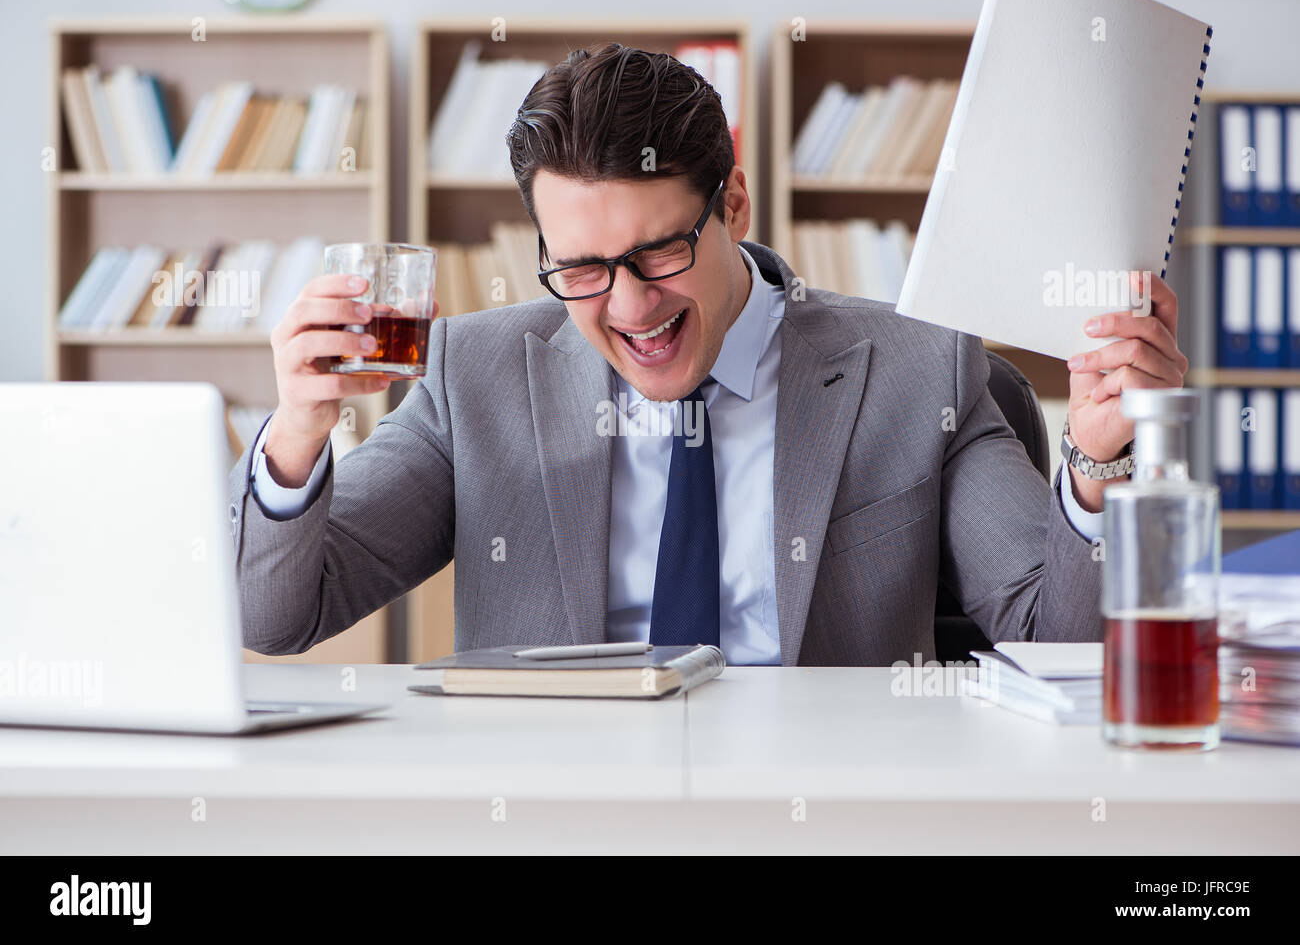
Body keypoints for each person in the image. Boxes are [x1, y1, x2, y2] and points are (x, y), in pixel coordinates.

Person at [228, 43, 1188, 665]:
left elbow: (1064, 642)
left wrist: (1100, 461)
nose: (633, 306)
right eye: (584, 269)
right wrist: (298, 434)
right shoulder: (471, 374)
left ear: (732, 205)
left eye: (659, 252)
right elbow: (277, 616)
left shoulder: (919, 366)